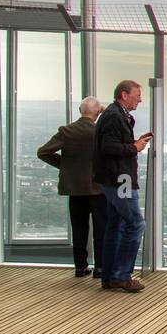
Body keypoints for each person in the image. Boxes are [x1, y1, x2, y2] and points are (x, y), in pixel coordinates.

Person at [93, 80, 152, 294]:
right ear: (124, 95)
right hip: (120, 179)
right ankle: (121, 275)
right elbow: (108, 147)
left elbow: (112, 145)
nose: (140, 100)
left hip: (115, 178)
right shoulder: (114, 116)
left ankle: (110, 276)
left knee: (115, 225)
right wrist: (134, 147)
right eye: (137, 95)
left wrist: (134, 143)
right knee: (136, 224)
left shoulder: (115, 114)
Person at [37, 97, 106, 278]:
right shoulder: (100, 132)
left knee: (79, 228)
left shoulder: (67, 131)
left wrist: (65, 165)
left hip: (75, 188)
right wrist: (104, 113)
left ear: (79, 111)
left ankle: (80, 267)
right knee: (101, 229)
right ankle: (100, 268)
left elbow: (43, 152)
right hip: (98, 188)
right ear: (97, 112)